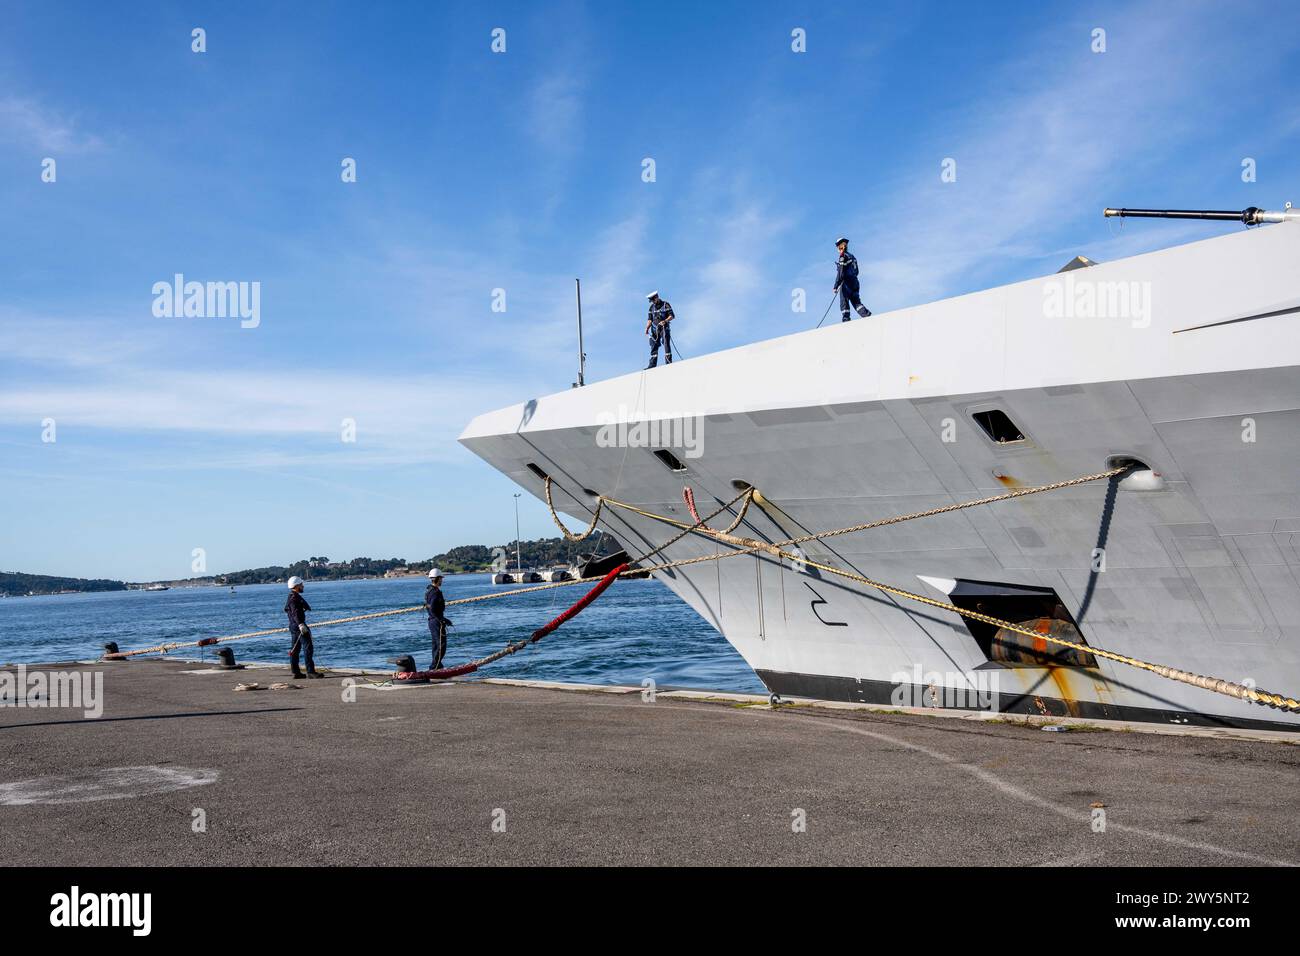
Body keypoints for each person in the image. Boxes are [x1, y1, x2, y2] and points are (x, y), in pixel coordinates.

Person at [284, 576, 321, 679]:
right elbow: (295, 613)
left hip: (293, 626)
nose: (303, 586)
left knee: (295, 649)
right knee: (308, 647)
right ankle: (310, 671)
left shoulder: (292, 596)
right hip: (298, 625)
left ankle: (296, 672)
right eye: (301, 585)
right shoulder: (294, 598)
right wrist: (300, 624)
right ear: (296, 586)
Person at [833, 237, 871, 321]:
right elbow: (857, 271)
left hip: (846, 284)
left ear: (840, 247)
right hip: (855, 282)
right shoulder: (852, 256)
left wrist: (836, 286)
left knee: (844, 302)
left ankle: (846, 320)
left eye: (837, 247)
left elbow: (841, 272)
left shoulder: (843, 256)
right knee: (856, 302)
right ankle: (866, 315)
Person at [425, 568, 452, 670]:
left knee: (436, 645)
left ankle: (437, 665)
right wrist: (441, 620)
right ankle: (434, 666)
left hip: (433, 621)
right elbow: (432, 608)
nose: (442, 581)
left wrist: (443, 618)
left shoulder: (429, 591)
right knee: (441, 645)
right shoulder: (435, 592)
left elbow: (432, 608)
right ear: (437, 579)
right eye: (441, 578)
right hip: (436, 621)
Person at [644, 291, 674, 368]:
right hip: (654, 330)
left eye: (653, 300)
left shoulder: (665, 304)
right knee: (653, 346)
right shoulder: (651, 307)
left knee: (666, 344)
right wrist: (647, 328)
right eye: (651, 301)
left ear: (657, 297)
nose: (653, 302)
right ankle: (652, 365)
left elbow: (672, 316)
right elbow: (650, 319)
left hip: (664, 328)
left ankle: (668, 363)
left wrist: (665, 321)